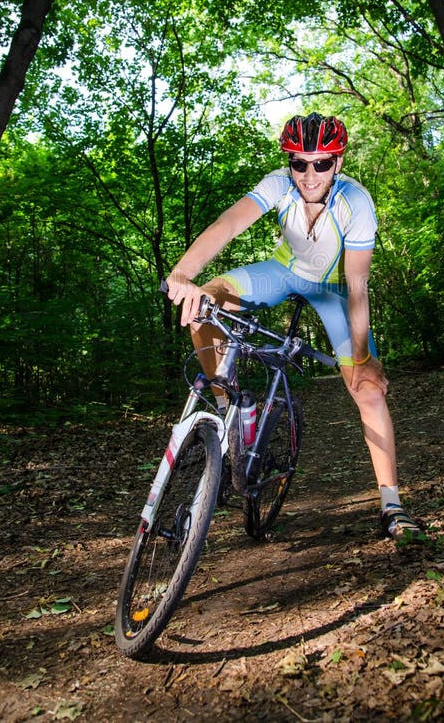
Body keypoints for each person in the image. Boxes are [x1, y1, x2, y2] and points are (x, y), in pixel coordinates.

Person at [165, 112, 421, 542]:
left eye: (321, 163)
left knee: (368, 389)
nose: (308, 174)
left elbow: (358, 285)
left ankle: (392, 504)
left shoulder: (355, 202)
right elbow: (228, 224)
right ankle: (233, 412)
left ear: (338, 162)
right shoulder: (279, 184)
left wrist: (362, 356)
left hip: (336, 290)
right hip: (283, 272)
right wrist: (182, 275)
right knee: (204, 304)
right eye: (299, 163)